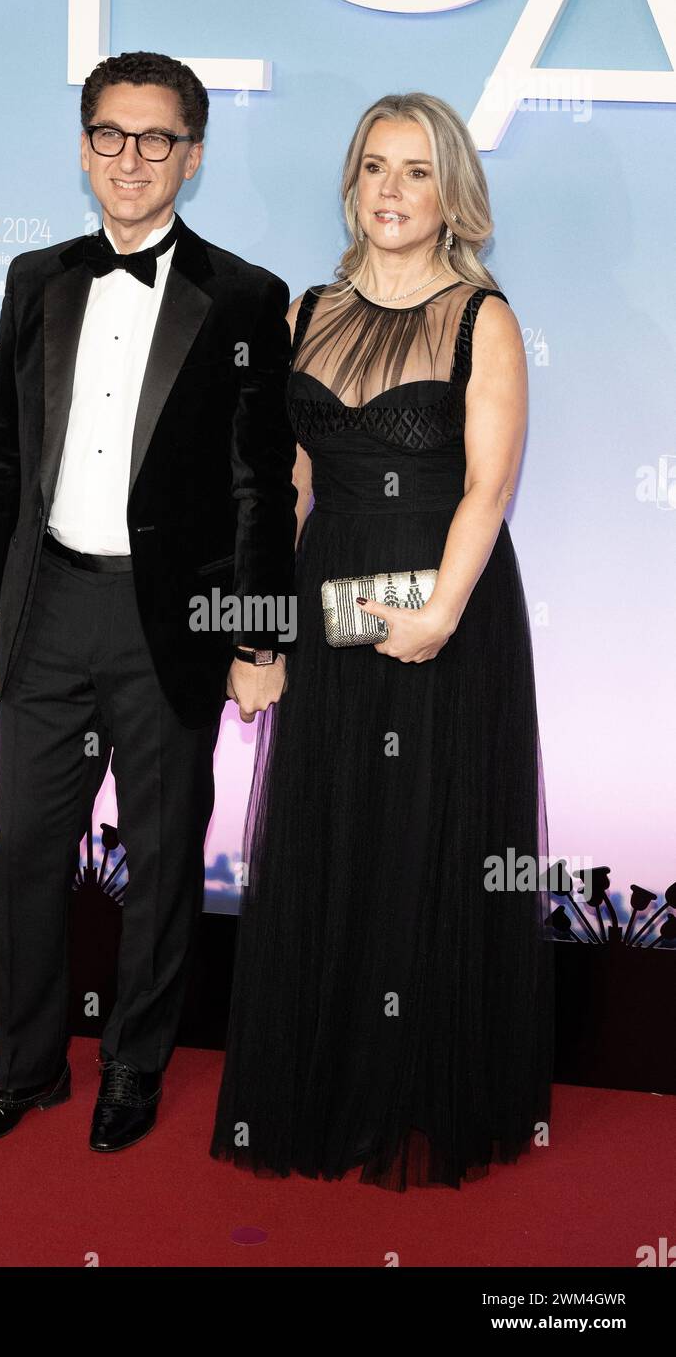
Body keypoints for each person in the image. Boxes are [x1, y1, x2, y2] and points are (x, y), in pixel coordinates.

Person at [0, 51, 296, 1151]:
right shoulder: (31, 278)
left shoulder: (245, 296)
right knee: (30, 855)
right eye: (109, 133)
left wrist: (256, 635)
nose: (129, 158)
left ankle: (133, 1068)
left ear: (191, 155)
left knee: (160, 859)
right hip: (44, 610)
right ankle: (28, 1068)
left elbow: (257, 488)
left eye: (155, 139)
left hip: (172, 628)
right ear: (83, 142)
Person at [210, 92, 555, 1190]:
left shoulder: (478, 316)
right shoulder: (305, 309)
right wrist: (262, 636)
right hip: (331, 603)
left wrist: (440, 613)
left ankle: (416, 1087)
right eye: (373, 167)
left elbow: (488, 491)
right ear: (351, 182)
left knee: (426, 840)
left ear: (449, 189)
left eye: (415, 170)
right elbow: (289, 487)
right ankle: (332, 1080)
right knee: (333, 833)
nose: (391, 190)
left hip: (441, 606)